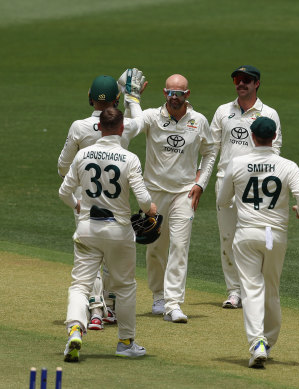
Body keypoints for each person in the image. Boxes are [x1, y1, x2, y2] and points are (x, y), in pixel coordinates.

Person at [59, 107, 157, 362]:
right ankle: (125, 343)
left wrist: (78, 206)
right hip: (119, 232)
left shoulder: (83, 155)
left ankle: (74, 331)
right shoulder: (129, 158)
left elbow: (63, 192)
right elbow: (144, 201)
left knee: (80, 285)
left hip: (87, 229)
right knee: (124, 287)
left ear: (100, 127)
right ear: (122, 128)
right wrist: (151, 210)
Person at [216, 116, 299, 368]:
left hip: (247, 233)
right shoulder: (288, 165)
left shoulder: (238, 163)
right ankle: (267, 341)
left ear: (253, 137)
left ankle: (257, 342)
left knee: (251, 289)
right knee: (271, 287)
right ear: (275, 137)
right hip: (274, 235)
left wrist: (239, 201)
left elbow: (222, 201)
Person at [57, 71, 146, 330]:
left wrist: (74, 196)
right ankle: (108, 306)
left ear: (90, 98)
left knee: (88, 262)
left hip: (86, 202)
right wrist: (133, 97)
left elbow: (62, 167)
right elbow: (139, 120)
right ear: (116, 101)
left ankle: (94, 311)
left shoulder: (78, 127)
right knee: (113, 256)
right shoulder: (125, 125)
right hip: (118, 203)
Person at [125, 74, 217, 323]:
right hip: (154, 192)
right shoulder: (153, 117)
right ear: (164, 93)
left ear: (188, 95)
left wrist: (200, 183)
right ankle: (158, 297)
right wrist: (132, 100)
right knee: (155, 247)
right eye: (170, 93)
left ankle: (173, 304)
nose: (174, 98)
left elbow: (210, 151)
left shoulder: (198, 121)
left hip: (184, 193)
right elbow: (131, 127)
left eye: (179, 94)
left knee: (179, 245)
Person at [210, 65, 282, 308]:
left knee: (256, 237)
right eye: (237, 80)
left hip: (255, 186)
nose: (241, 84)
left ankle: (256, 288)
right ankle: (234, 291)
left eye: (247, 80)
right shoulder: (223, 111)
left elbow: (275, 152)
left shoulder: (269, 113)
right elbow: (212, 149)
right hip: (226, 182)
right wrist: (201, 181)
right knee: (228, 238)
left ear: (257, 83)